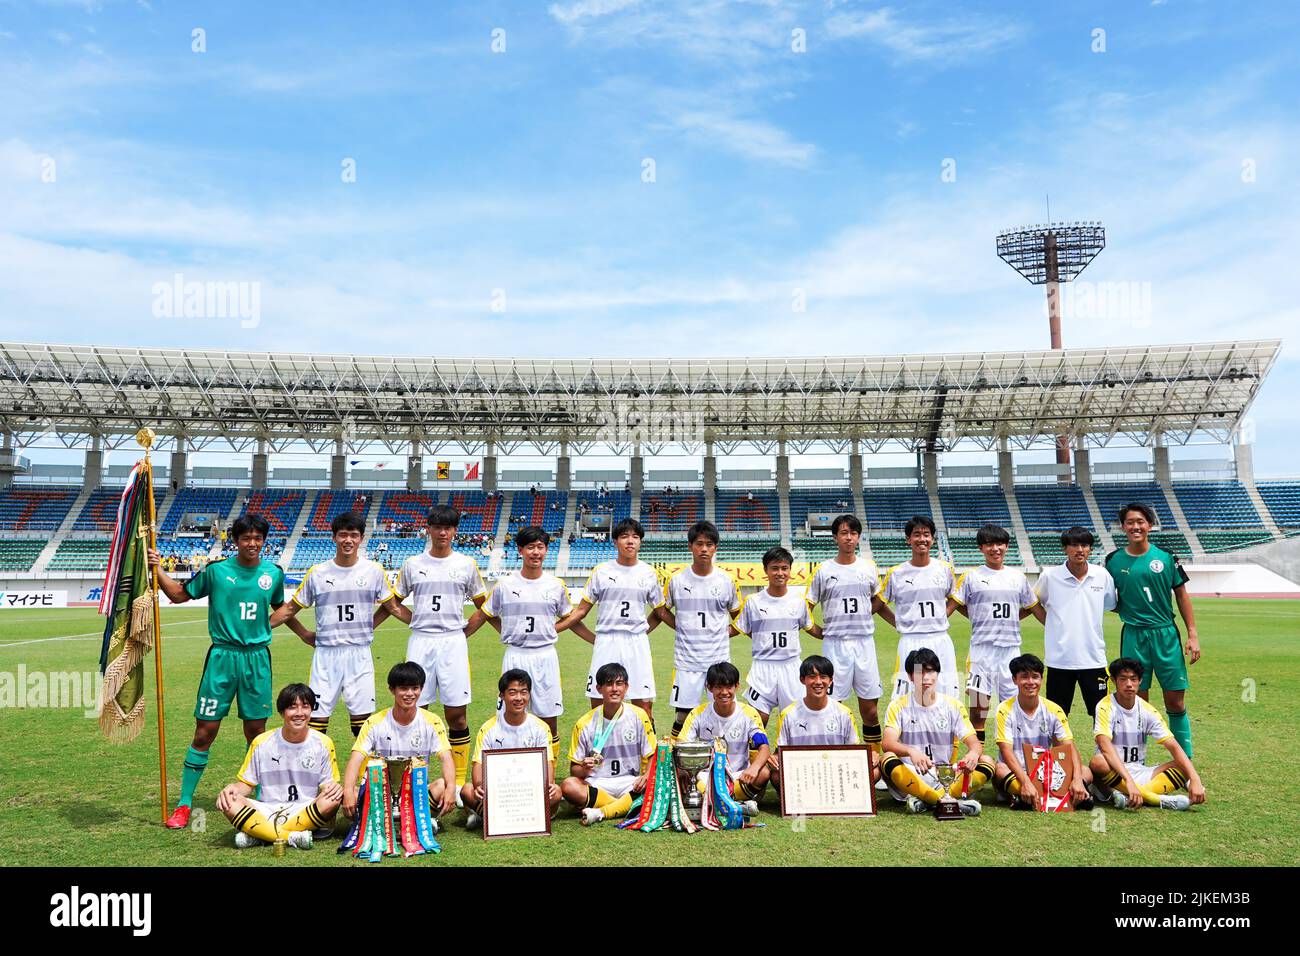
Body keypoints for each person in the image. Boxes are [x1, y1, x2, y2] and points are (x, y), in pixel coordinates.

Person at [149, 514, 314, 830]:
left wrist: (304, 633)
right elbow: (178, 595)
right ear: (235, 541)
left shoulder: (273, 573)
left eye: (258, 538)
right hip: (222, 659)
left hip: (256, 660)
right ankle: (184, 804)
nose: (252, 544)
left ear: (264, 541)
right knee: (205, 731)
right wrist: (157, 569)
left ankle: (264, 796)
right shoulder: (217, 571)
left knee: (256, 733)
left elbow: (283, 608)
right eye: (246, 538)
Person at [375, 505, 487, 787]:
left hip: (452, 642)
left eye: (448, 527)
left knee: (457, 713)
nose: (442, 532)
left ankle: (460, 783)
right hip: (421, 640)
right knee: (415, 709)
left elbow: (483, 606)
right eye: (437, 527)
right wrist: (416, 620)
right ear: (429, 529)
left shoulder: (466, 564)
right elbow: (393, 603)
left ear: (455, 531)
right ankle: (416, 780)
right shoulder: (413, 564)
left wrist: (463, 632)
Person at [270, 511, 403, 739]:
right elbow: (291, 608)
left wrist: (370, 625)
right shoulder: (318, 573)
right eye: (342, 535)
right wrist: (292, 632)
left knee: (362, 726)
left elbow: (391, 607)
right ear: (334, 537)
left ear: (361, 538)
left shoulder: (373, 571)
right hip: (326, 655)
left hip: (359, 654)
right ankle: (317, 773)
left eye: (353, 535)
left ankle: (364, 774)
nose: (348, 540)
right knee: (316, 722)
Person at [464, 527, 593, 760]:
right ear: (521, 550)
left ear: (546, 551)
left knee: (549, 717)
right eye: (530, 547)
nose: (536, 552)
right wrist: (461, 637)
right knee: (509, 716)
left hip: (545, 656)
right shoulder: (504, 586)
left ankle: (547, 774)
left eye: (540, 547)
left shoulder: (555, 585)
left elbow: (570, 618)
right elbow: (484, 614)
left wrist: (594, 639)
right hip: (516, 655)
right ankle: (510, 769)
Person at [1103, 502, 1200, 757]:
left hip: (1166, 634)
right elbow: (1107, 598)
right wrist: (1129, 610)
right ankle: (1137, 759)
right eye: (1130, 522)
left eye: (1140, 522)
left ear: (1149, 525)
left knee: (1175, 701)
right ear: (1123, 527)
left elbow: (1182, 595)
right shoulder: (1113, 561)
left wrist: (1192, 635)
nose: (1135, 526)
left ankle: (1184, 761)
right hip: (1134, 635)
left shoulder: (1166, 557)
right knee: (1136, 701)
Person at [804, 514, 893, 765]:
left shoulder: (868, 567)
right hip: (835, 645)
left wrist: (875, 615)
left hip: (864, 642)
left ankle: (874, 761)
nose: (849, 537)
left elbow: (878, 599)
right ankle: (832, 759)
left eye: (853, 533)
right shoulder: (823, 570)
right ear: (835, 537)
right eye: (844, 533)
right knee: (831, 705)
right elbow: (806, 606)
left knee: (870, 709)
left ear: (858, 537)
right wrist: (817, 630)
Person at [217, 683, 342, 849]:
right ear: (282, 712)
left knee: (333, 799)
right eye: (292, 707)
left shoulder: (323, 743)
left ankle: (260, 834)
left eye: (305, 707)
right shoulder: (262, 742)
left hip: (304, 810)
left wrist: (332, 789)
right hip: (266, 810)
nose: (299, 713)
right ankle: (290, 837)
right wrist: (232, 788)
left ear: (311, 710)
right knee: (229, 801)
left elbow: (327, 784)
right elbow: (247, 784)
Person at [559, 517, 663, 717]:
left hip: (637, 643)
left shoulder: (648, 573)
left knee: (643, 706)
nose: (630, 541)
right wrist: (555, 628)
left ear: (640, 541)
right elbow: (580, 611)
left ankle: (645, 748)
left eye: (635, 537)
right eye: (624, 536)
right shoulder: (602, 571)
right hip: (606, 642)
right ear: (615, 541)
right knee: (599, 703)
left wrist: (640, 631)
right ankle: (600, 748)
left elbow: (659, 612)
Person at [949, 523, 1038, 742]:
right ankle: (978, 758)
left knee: (1014, 707)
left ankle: (1012, 756)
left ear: (1007, 546)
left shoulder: (1017, 577)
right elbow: (955, 603)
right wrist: (976, 616)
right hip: (981, 650)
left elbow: (1032, 607)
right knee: (979, 709)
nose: (995, 548)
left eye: (999, 543)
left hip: (1011, 651)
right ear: (981, 548)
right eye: (989, 544)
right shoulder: (971, 576)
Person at [880, 648, 994, 815]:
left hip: (945, 774)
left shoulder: (953, 705)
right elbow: (887, 743)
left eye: (931, 671)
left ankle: (930, 800)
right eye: (920, 672)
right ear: (911, 676)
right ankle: (946, 801)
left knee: (987, 761)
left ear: (937, 673)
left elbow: (974, 743)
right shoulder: (898, 706)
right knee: (887, 758)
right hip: (911, 775)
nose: (926, 677)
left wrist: (973, 754)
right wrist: (911, 751)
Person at [344, 662, 457, 827]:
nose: (409, 694)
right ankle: (416, 821)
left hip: (416, 795)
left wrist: (452, 788)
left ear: (421, 688)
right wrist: (348, 792)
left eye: (415, 688)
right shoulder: (375, 722)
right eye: (403, 688)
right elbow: (355, 759)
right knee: (348, 793)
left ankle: (391, 821)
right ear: (392, 689)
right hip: (380, 796)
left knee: (442, 785)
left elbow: (446, 758)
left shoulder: (432, 721)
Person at [656, 520, 741, 738]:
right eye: (699, 543)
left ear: (716, 548)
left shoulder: (726, 581)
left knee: (723, 712)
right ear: (690, 546)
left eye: (709, 544)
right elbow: (661, 610)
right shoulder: (676, 580)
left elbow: (739, 617)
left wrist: (725, 633)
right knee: (683, 716)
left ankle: (726, 762)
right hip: (687, 661)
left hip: (718, 659)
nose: (704, 549)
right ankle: (678, 764)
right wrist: (681, 627)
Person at [1087, 657, 1205, 811]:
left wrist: (1195, 779)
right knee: (1098, 762)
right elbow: (1104, 746)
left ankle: (1131, 795)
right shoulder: (1105, 706)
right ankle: (1155, 799)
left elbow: (1173, 746)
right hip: (1113, 773)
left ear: (1140, 681)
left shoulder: (1147, 710)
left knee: (1184, 765)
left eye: (1133, 679)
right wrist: (1128, 780)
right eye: (1123, 679)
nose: (1129, 684)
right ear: (1114, 681)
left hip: (1140, 773)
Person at [1030, 527, 1116, 716]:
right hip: (1059, 660)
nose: (1080, 550)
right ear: (1065, 548)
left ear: (1090, 549)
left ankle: (1100, 748)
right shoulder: (1050, 576)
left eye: (1085, 545)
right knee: (1057, 716)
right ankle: (1059, 748)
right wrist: (1051, 623)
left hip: (1094, 659)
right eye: (1074, 545)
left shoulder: (1101, 575)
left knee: (1101, 715)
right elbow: (1033, 603)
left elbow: (1110, 603)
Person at [461, 669, 562, 830]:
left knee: (556, 792)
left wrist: (547, 784)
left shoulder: (540, 728)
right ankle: (512, 818)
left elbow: (548, 767)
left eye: (524, 692)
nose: (519, 698)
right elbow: (478, 767)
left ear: (529, 695)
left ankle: (491, 817)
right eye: (512, 692)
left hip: (529, 791)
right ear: (502, 695)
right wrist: (479, 786)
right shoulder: (489, 728)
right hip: (501, 792)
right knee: (467, 790)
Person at [560, 663, 656, 826]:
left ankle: (601, 812)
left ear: (626, 688)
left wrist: (646, 776)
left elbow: (652, 754)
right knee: (569, 786)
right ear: (599, 688)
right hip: (598, 783)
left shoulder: (639, 716)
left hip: (630, 783)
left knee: (656, 782)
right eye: (609, 684)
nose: (614, 689)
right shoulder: (584, 723)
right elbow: (574, 770)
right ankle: (626, 806)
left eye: (619, 684)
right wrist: (584, 767)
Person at [991, 653, 1091, 809]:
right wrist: (1025, 781)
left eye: (1035, 677)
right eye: (1024, 677)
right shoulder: (1004, 709)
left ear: (1042, 680)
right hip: (1017, 771)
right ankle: (1057, 796)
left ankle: (1024, 798)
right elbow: (1006, 752)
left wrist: (1077, 779)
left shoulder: (1054, 709)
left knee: (1085, 771)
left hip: (1045, 771)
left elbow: (1069, 747)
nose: (1030, 682)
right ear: (1014, 680)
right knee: (999, 769)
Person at [879, 516, 959, 703]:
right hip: (911, 640)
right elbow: (879, 604)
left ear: (932, 539)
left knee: (946, 696)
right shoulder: (896, 573)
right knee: (908, 697)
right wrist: (898, 622)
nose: (922, 539)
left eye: (926, 534)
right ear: (908, 539)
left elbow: (955, 598)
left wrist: (943, 613)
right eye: (916, 534)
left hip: (940, 638)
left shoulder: (945, 569)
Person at [733, 546, 813, 724]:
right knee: (757, 720)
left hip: (791, 666)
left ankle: (783, 752)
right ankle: (757, 753)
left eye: (784, 568)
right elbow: (740, 629)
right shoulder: (753, 601)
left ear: (790, 571)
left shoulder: (799, 602)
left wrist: (833, 633)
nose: (780, 573)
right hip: (763, 667)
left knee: (793, 720)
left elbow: (809, 628)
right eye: (774, 568)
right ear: (766, 571)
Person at [678, 662, 769, 810]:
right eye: (719, 687)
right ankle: (733, 803)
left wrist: (754, 768)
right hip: (705, 776)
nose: (724, 692)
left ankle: (714, 801)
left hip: (738, 775)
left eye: (729, 687)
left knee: (763, 773)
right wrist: (682, 770)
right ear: (709, 687)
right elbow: (681, 744)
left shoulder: (749, 714)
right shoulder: (697, 714)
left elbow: (764, 747)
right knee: (679, 773)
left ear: (737, 686)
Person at [770, 655, 866, 789]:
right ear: (802, 679)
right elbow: (779, 753)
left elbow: (854, 751)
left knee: (875, 771)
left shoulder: (844, 713)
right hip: (802, 773)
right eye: (812, 676)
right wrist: (773, 759)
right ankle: (795, 800)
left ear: (831, 680)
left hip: (835, 774)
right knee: (775, 774)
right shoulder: (788, 714)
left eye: (823, 677)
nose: (818, 682)